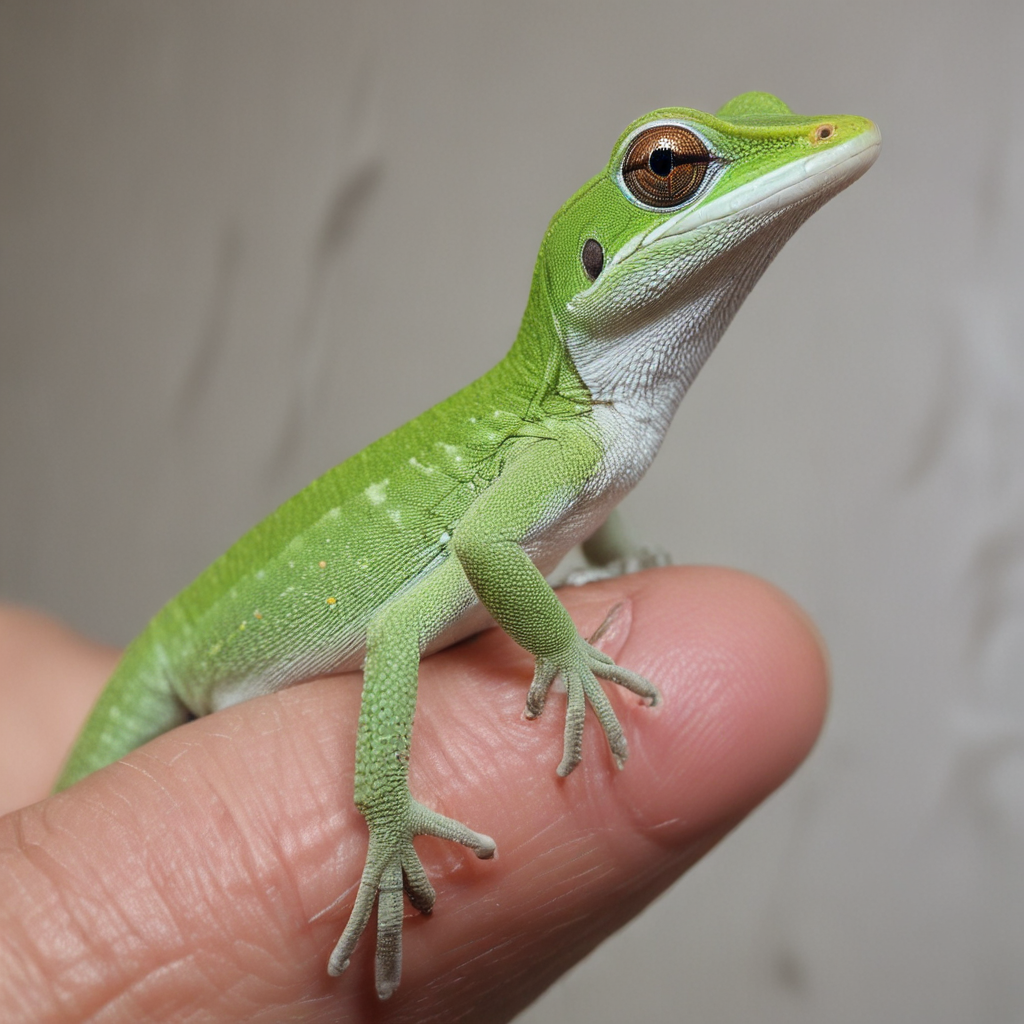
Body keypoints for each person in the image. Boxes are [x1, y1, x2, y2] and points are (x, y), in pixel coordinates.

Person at [0, 566, 827, 1021]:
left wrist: (614, 554)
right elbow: (399, 628)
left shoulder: (588, 451)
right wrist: (387, 811)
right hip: (185, 659)